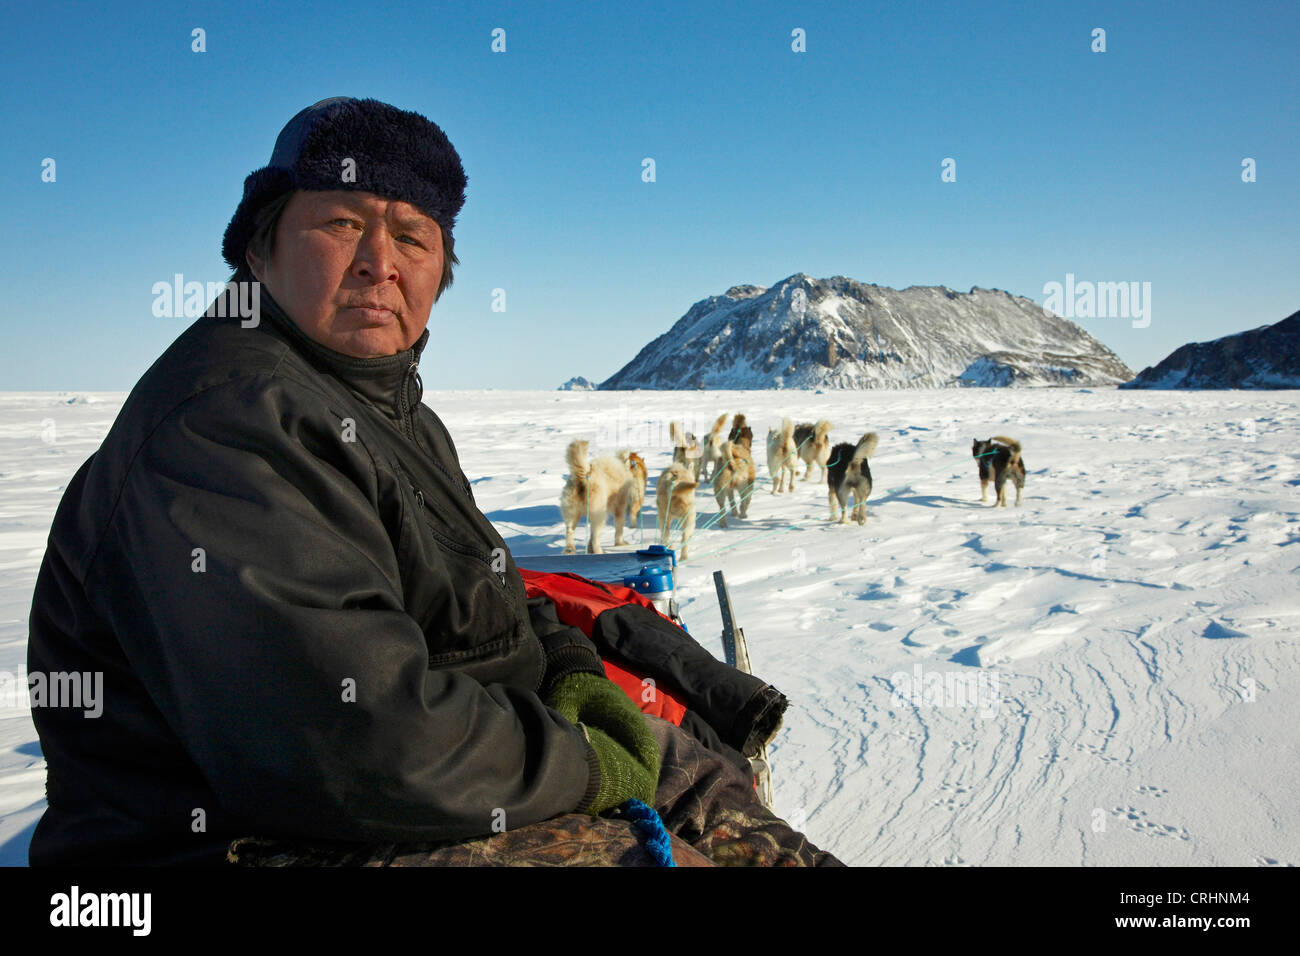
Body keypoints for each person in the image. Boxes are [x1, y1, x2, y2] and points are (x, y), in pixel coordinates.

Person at [26, 97, 841, 867]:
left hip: (431, 767)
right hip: (245, 838)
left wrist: (568, 663)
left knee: (705, 780)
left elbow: (485, 583)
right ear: (259, 246)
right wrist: (589, 765)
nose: (379, 264)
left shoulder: (382, 403)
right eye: (342, 224)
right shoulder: (226, 425)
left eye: (413, 237)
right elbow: (358, 737)